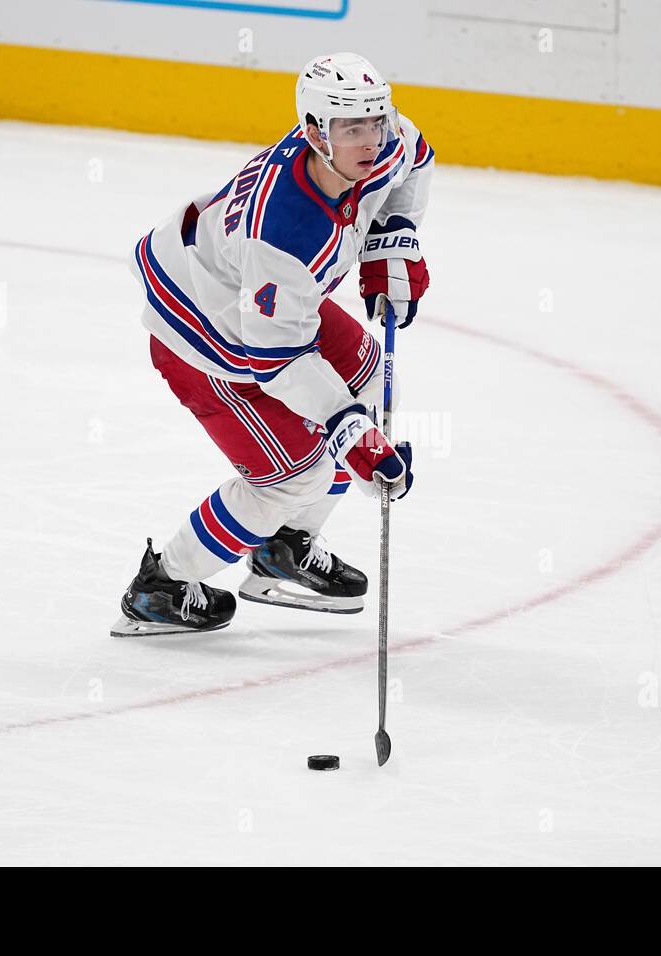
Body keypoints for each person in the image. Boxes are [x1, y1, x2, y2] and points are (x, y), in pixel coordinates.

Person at [112, 52, 434, 636]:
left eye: (375, 122)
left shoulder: (381, 145)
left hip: (263, 309)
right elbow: (275, 360)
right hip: (205, 333)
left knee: (368, 374)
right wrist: (348, 430)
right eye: (350, 128)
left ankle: (283, 549)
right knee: (295, 477)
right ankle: (162, 585)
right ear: (313, 132)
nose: (370, 140)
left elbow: (416, 159)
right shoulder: (283, 233)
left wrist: (395, 234)